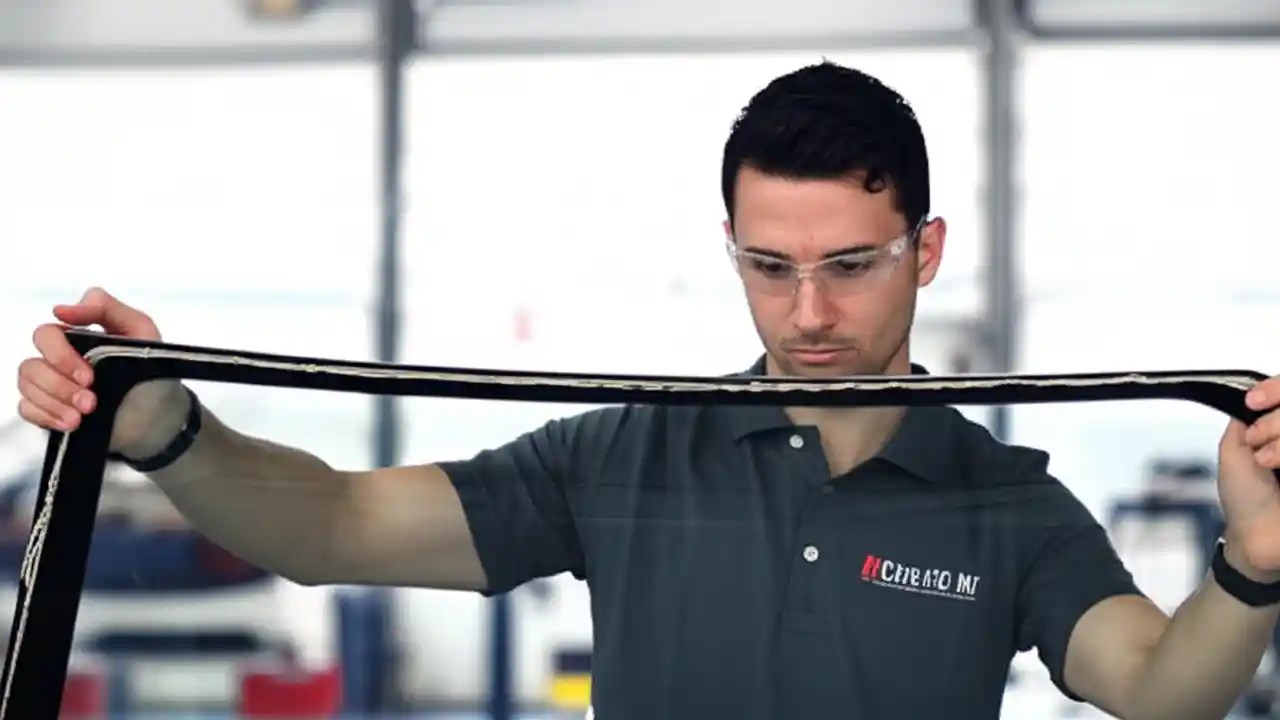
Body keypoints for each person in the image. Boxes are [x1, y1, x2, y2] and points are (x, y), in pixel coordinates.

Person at [14, 60, 1280, 719]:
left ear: (925, 250)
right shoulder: (620, 456)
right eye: (767, 266)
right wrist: (161, 426)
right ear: (726, 247)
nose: (807, 314)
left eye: (849, 266)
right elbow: (330, 526)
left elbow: (1160, 689)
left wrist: (1256, 558)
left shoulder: (1001, 501)